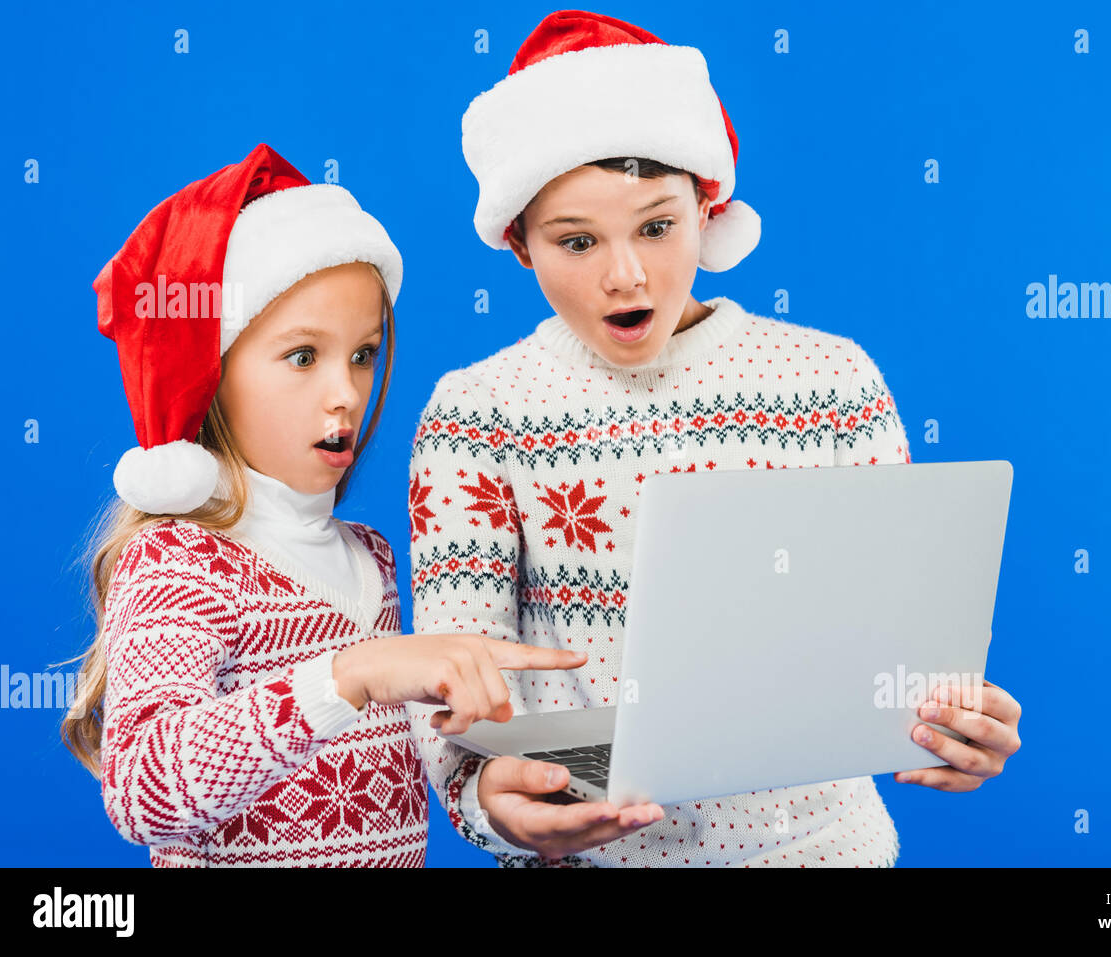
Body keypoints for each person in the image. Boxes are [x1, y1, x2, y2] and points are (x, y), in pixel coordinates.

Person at [407, 11, 1023, 868]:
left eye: (657, 226)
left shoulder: (832, 382)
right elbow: (451, 687)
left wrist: (954, 724)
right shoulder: (481, 411)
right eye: (576, 241)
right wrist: (488, 804)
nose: (625, 274)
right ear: (518, 244)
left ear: (707, 206)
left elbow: (898, 651)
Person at [62, 143, 586, 867]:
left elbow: (391, 775)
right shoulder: (183, 559)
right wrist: (350, 674)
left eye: (363, 353)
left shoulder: (368, 554)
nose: (346, 391)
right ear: (211, 372)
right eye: (303, 356)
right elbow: (143, 785)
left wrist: (521, 777)